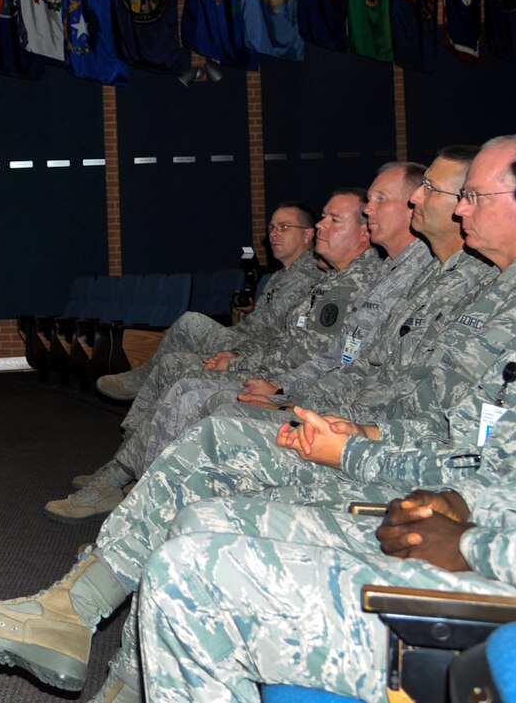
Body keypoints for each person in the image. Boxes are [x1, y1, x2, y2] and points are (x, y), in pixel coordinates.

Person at [0, 137, 516, 698]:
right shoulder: (465, 280)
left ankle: (85, 610)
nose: (449, 205)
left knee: (214, 441)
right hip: (394, 452)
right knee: (202, 469)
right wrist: (336, 421)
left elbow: (456, 431)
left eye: (455, 194)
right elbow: (398, 389)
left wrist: (347, 437)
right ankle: (102, 639)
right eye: (442, 192)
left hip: (424, 490)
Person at [135, 37, 516, 702]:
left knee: (192, 573)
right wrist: (464, 502)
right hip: (509, 558)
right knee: (197, 529)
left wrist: (475, 541)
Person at [48, 189, 384, 522]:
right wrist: (236, 357)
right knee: (178, 369)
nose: (322, 225)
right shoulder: (330, 281)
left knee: (189, 382)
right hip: (274, 370)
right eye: (272, 228)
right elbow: (285, 342)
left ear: (363, 233)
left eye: (333, 219)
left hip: (300, 387)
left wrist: (248, 369)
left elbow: (313, 355)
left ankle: (135, 493)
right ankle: (124, 469)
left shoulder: (349, 283)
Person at [93, 202, 320, 403]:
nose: (274, 234)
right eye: (271, 227)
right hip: (244, 337)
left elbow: (277, 335)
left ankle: (143, 378)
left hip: (254, 350)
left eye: (284, 227)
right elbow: (264, 323)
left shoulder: (309, 275)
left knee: (191, 322)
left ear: (308, 235)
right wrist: (242, 317)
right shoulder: (279, 276)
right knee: (173, 358)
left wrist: (238, 355)